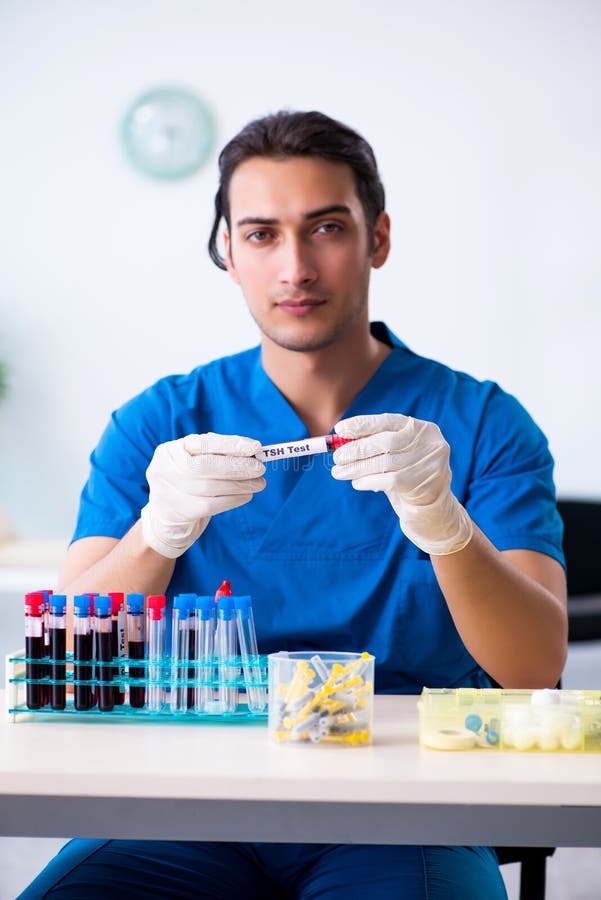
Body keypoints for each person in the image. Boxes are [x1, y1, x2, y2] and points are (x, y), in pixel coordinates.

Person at [20, 109, 567, 899]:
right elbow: (68, 662)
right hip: (178, 807)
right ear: (227, 253)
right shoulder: (160, 422)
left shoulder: (481, 422)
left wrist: (444, 525)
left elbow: (532, 668)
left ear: (377, 238)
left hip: (407, 812)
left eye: (326, 228)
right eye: (261, 234)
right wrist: (158, 530)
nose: (295, 268)